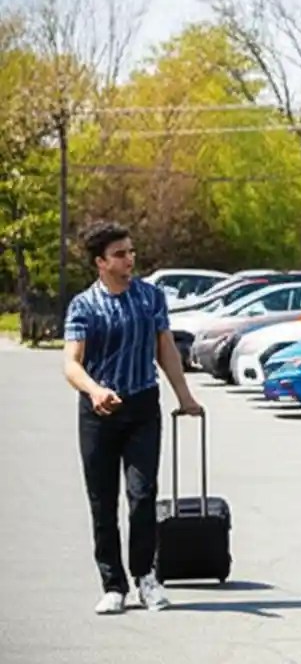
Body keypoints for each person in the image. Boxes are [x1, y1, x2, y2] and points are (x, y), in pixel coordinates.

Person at [62, 221, 204, 614]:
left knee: (142, 496)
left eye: (131, 251)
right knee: (102, 500)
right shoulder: (83, 305)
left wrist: (185, 397)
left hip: (142, 406)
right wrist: (94, 391)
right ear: (100, 262)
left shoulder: (150, 298)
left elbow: (166, 351)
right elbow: (71, 364)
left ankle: (146, 578)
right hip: (99, 412)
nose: (130, 259)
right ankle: (113, 585)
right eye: (120, 254)